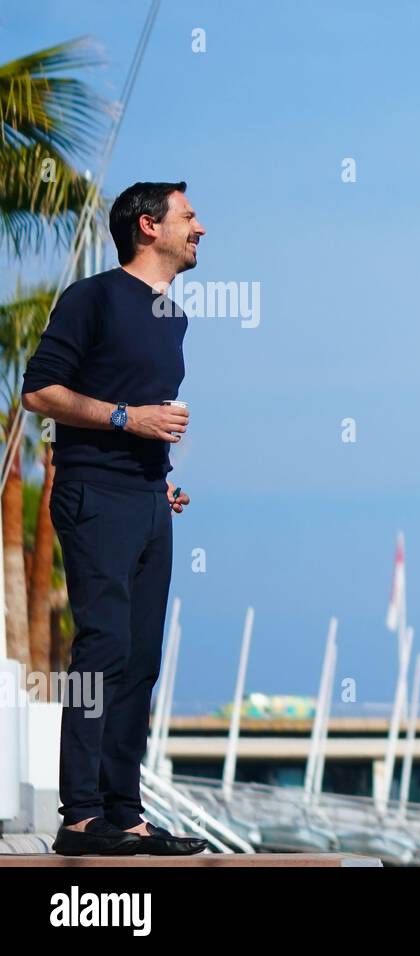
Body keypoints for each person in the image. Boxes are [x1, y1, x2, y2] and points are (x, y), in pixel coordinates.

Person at [22, 181, 208, 856]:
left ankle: (124, 816)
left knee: (140, 661)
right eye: (190, 216)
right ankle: (80, 817)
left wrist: (158, 481)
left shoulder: (173, 317)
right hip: (93, 496)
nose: (202, 228)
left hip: (145, 499)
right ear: (147, 227)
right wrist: (131, 420)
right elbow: (39, 390)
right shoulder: (93, 298)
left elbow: (145, 416)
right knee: (103, 650)